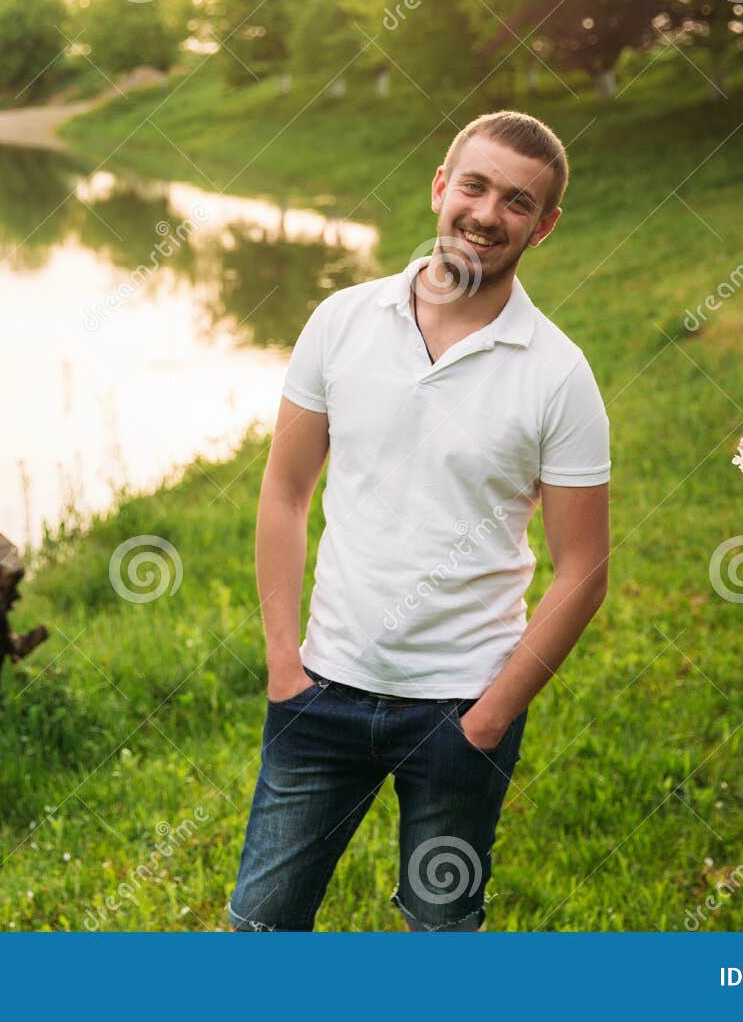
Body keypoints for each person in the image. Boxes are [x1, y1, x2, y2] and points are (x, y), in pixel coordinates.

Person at [226, 110, 612, 932]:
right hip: (320, 690)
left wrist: (491, 716)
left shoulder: (559, 375)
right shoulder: (341, 321)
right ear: (441, 187)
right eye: (473, 185)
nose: (485, 213)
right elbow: (286, 491)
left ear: (543, 227)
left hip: (461, 705)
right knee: (259, 926)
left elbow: (584, 569)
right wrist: (283, 663)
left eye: (516, 201)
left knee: (442, 935)